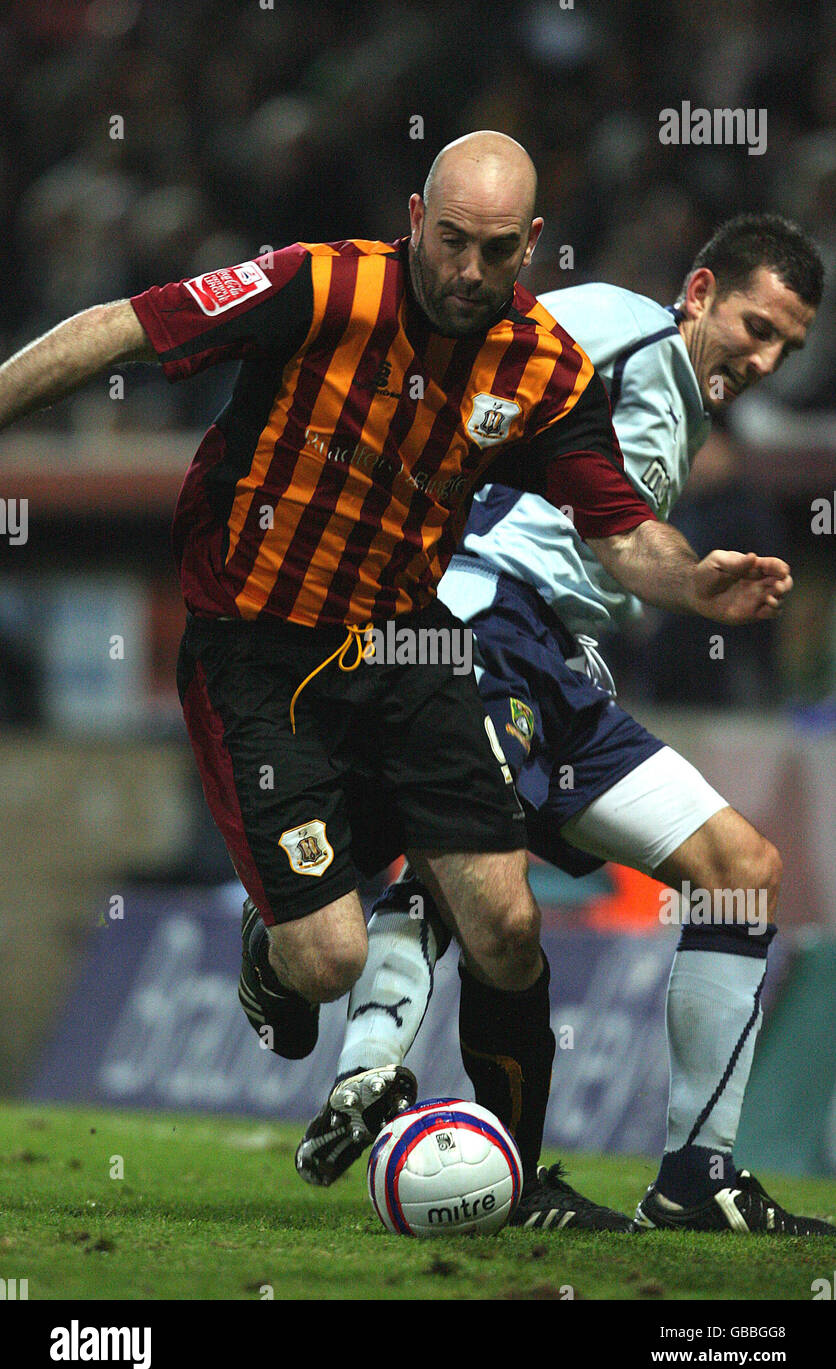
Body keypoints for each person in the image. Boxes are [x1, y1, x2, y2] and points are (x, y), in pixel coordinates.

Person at [0, 135, 790, 1231]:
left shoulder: (539, 364)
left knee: (507, 924)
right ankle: (280, 960)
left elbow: (617, 530)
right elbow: (121, 329)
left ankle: (513, 1183)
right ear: (415, 214)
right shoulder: (322, 284)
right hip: (257, 646)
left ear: (529, 246)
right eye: (451, 242)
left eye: (495, 252)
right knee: (326, 958)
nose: (467, 273)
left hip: (408, 642)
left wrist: (696, 582)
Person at [295, 213, 834, 1236]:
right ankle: (367, 1063)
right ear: (700, 288)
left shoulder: (681, 407)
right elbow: (471, 364)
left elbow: (612, 542)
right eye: (754, 325)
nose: (762, 358)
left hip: (563, 671)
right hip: (477, 625)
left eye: (786, 348)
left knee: (740, 867)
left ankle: (695, 1176)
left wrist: (690, 585)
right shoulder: (614, 326)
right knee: (474, 879)